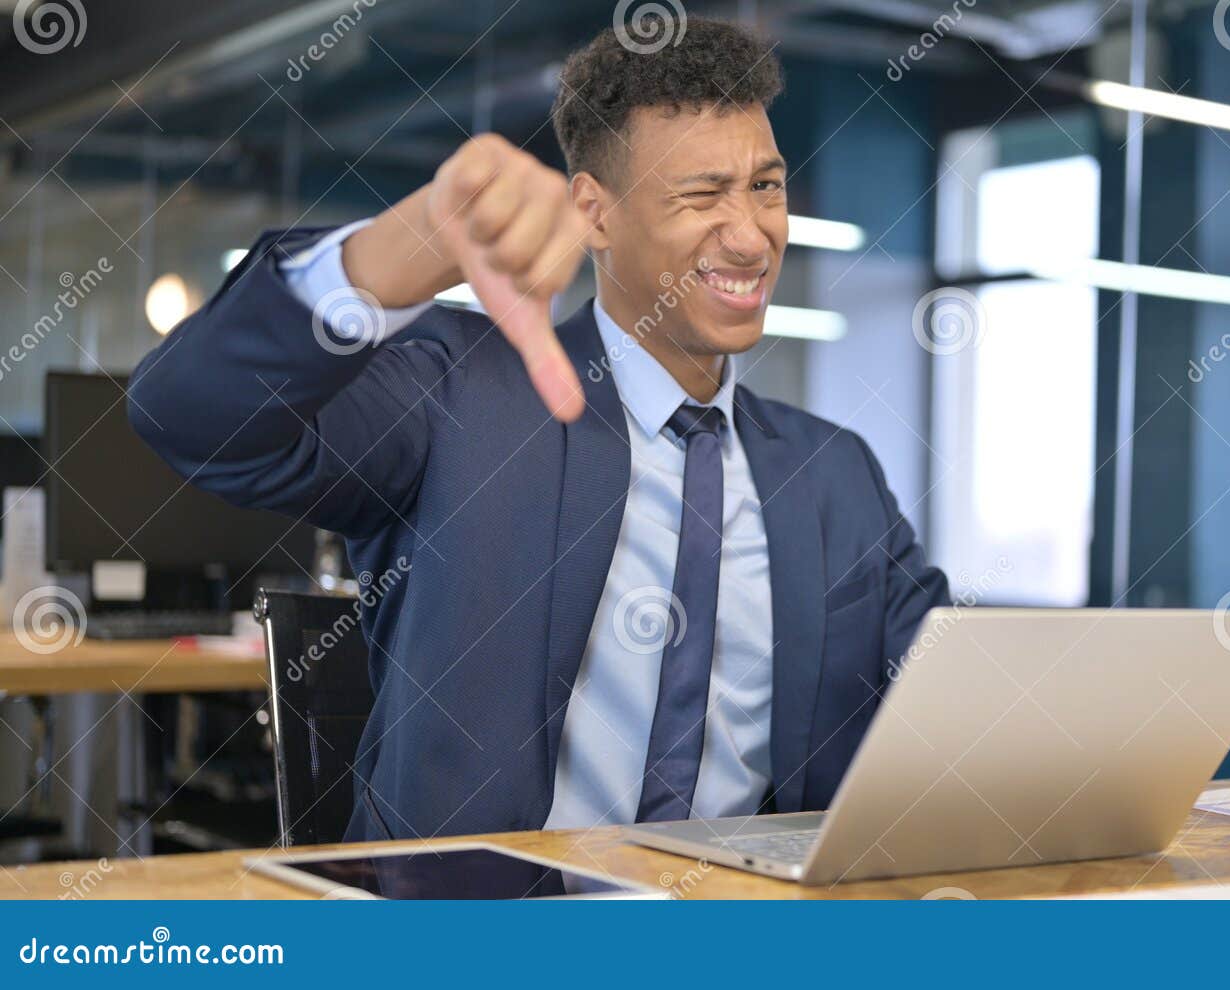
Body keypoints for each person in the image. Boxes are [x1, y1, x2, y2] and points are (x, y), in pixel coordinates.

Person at [129, 16, 948, 841]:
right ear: (594, 213)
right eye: (702, 194)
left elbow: (959, 702)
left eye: (766, 187)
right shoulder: (463, 398)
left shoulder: (835, 473)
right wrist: (397, 254)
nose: (749, 234)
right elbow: (194, 417)